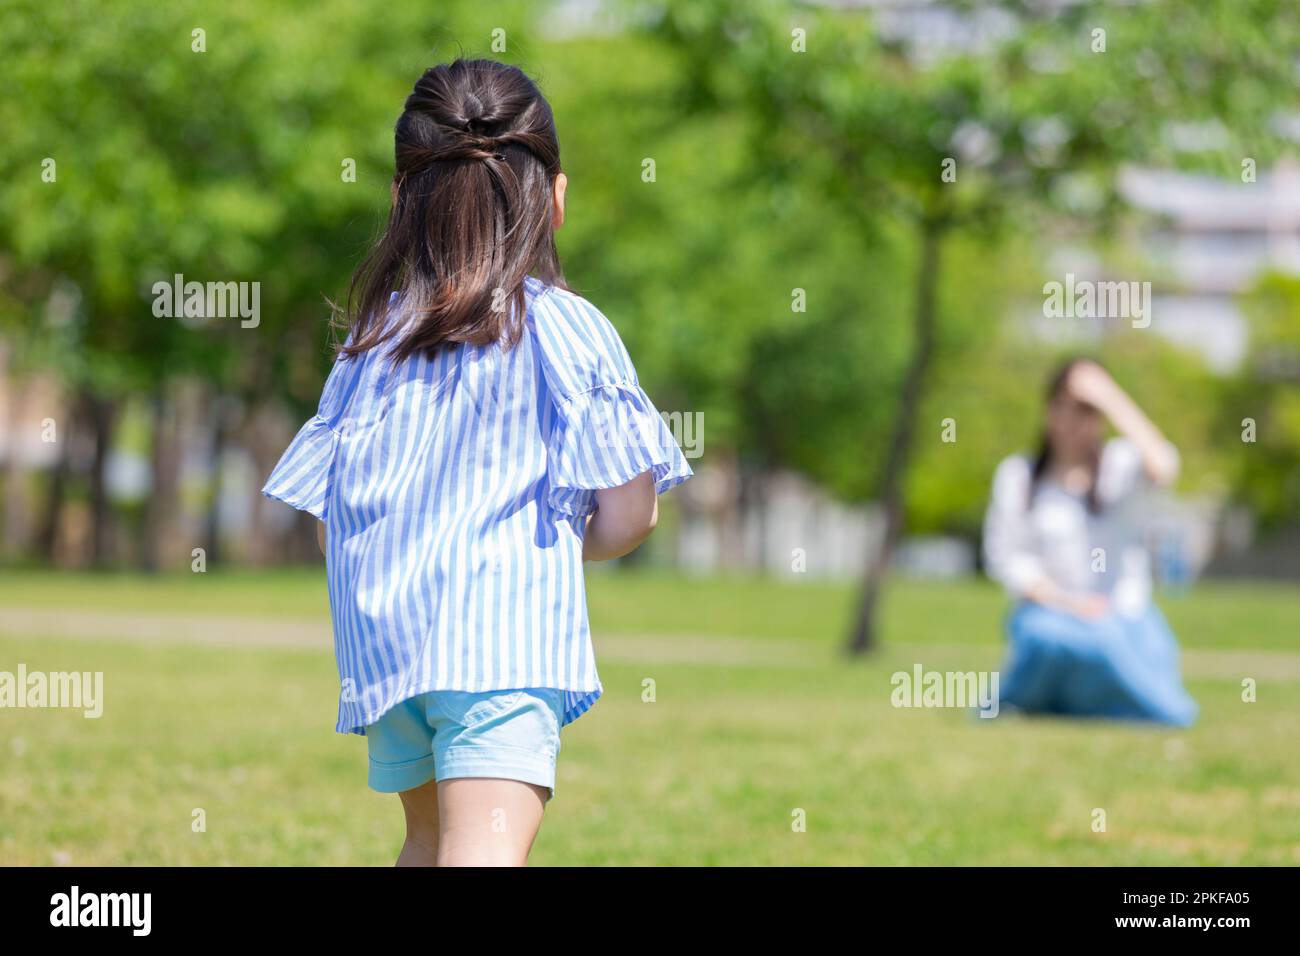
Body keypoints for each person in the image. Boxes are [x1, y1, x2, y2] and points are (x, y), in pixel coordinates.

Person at [261, 59, 692, 865]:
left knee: (426, 844)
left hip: (386, 654)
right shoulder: (568, 328)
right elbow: (630, 516)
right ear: (555, 198)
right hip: (502, 645)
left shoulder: (369, 341)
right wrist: (558, 540)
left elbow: (335, 520)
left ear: (401, 200)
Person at [981, 358, 1197, 726]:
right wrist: (1068, 602)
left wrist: (1110, 396)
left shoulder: (1121, 465)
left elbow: (1164, 466)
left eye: (1084, 410)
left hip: (1123, 616)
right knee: (1053, 640)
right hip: (1054, 615)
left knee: (1152, 687)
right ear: (1048, 410)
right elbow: (1006, 559)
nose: (1070, 421)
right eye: (1062, 407)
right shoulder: (1019, 476)